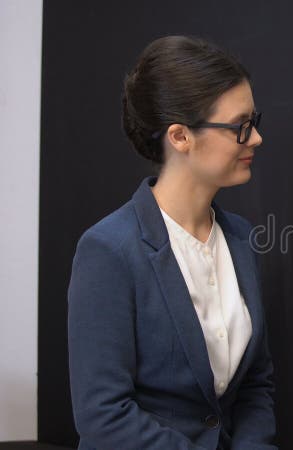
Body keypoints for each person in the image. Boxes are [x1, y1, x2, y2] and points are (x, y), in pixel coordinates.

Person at [67, 35, 277, 450]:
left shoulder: (240, 239)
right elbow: (103, 417)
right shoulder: (109, 250)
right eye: (240, 126)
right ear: (180, 137)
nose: (255, 139)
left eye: (255, 122)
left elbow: (255, 386)